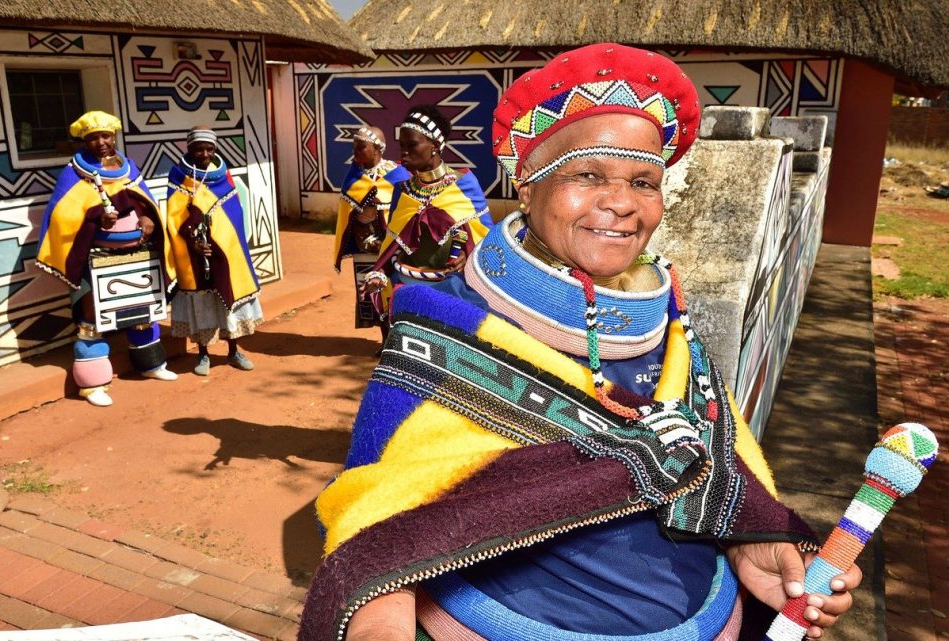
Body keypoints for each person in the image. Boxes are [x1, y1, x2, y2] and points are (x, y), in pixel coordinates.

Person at [299, 45, 862, 641]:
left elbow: (711, 457)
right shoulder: (447, 326)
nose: (621, 203)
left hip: (710, 617)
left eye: (643, 182)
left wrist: (751, 538)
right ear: (527, 185)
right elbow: (379, 504)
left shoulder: (671, 324)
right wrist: (379, 615)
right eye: (588, 175)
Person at [37, 111, 177, 408]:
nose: (101, 142)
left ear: (114, 136)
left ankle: (150, 364)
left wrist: (146, 218)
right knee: (92, 320)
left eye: (105, 136)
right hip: (95, 258)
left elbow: (144, 199)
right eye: (93, 138)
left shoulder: (128, 167)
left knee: (142, 312)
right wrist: (95, 217)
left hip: (136, 255)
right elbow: (62, 214)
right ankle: (93, 384)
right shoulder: (74, 173)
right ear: (84, 140)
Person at [361, 105, 492, 323]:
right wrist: (379, 273)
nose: (403, 153)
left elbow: (485, 239)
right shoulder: (402, 191)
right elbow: (393, 243)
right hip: (407, 288)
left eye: (412, 145)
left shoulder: (465, 186)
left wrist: (468, 257)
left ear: (435, 146)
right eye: (401, 146)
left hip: (451, 291)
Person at [165, 127, 263, 375]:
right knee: (202, 300)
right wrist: (194, 240)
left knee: (227, 294)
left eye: (210, 149)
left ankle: (233, 351)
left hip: (225, 249)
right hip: (194, 252)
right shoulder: (179, 175)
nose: (205, 154)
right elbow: (175, 216)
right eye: (199, 149)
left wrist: (225, 241)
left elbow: (234, 213)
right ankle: (203, 353)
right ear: (189, 149)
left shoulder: (223, 174)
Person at [334, 126, 410, 340]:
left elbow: (407, 210)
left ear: (377, 148)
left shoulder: (397, 174)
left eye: (360, 147)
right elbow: (347, 211)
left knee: (394, 293)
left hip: (392, 247)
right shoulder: (354, 176)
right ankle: (384, 340)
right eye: (354, 147)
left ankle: (397, 340)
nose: (355, 152)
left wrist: (381, 213)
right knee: (371, 293)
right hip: (364, 246)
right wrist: (359, 219)